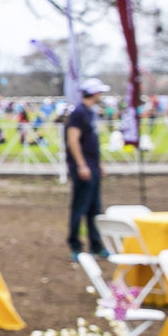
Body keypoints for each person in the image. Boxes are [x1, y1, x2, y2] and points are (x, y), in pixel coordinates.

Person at [66, 78, 109, 261]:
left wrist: (97, 163)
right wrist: (81, 164)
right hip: (83, 167)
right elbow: (73, 139)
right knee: (80, 206)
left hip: (92, 166)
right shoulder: (79, 113)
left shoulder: (89, 113)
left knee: (94, 208)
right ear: (94, 93)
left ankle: (95, 243)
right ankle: (75, 244)